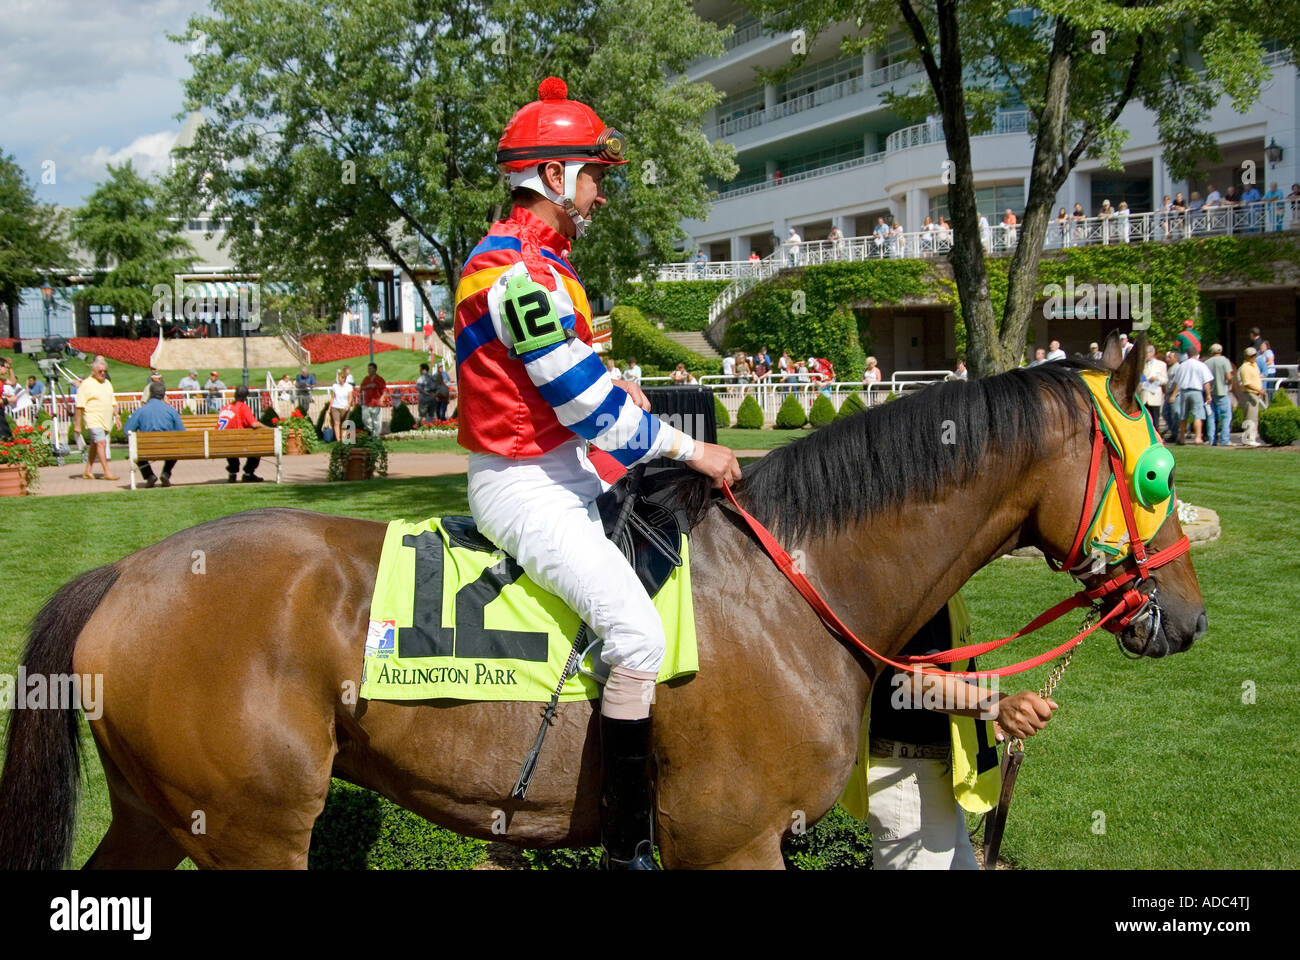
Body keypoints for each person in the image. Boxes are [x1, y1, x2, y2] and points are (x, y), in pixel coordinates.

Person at [457, 77, 741, 870]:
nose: (600, 196)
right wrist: (694, 450)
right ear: (552, 176)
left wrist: (615, 383)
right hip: (526, 485)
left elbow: (578, 380)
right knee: (638, 634)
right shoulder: (515, 272)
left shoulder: (543, 265)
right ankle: (626, 848)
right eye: (594, 177)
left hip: (568, 471)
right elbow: (592, 413)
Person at [855, 594, 1057, 870]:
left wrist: (985, 720)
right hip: (909, 783)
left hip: (926, 779)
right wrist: (997, 705)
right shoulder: (920, 589)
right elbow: (910, 682)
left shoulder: (941, 588)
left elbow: (946, 674)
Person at [124, 380, 184, 487]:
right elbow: (182, 432)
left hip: (146, 448)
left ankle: (149, 475)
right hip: (168, 448)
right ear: (163, 394)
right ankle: (166, 473)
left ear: (150, 394)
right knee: (175, 447)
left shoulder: (141, 411)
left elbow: (127, 430)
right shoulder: (171, 411)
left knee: (136, 449)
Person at [74, 358, 122, 481]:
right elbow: (79, 406)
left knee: (95, 445)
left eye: (104, 371)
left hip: (106, 421)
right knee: (102, 443)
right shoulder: (86, 384)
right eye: (100, 371)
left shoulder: (107, 384)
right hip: (93, 419)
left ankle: (87, 471)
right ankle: (107, 472)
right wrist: (77, 425)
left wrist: (117, 416)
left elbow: (113, 402)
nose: (102, 373)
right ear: (93, 371)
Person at [217, 384, 268, 482]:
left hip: (222, 442)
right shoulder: (243, 407)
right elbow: (254, 424)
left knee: (231, 444)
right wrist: (267, 427)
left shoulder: (226, 407)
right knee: (256, 447)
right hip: (236, 441)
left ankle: (232, 473)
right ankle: (248, 473)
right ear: (245, 397)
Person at [1169, 346, 1213, 445]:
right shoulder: (1201, 365)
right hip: (1196, 391)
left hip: (1184, 392)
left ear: (1187, 355)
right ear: (1197, 354)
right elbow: (1206, 382)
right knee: (1198, 415)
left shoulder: (1182, 365)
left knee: (1183, 416)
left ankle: (1181, 438)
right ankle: (1198, 438)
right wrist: (1208, 395)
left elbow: (1178, 383)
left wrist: (1173, 395)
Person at [1203, 343, 1234, 447]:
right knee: (1226, 416)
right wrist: (1230, 384)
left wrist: (1207, 393)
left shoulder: (1207, 362)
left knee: (1211, 417)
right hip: (1222, 392)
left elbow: (1205, 379)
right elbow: (1229, 377)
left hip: (1210, 393)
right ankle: (1225, 440)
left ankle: (1212, 439)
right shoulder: (1225, 361)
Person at [1238, 347, 1265, 446]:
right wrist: (1259, 390)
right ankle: (1248, 439)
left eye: (1255, 355)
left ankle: (1250, 438)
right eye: (1252, 356)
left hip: (1255, 394)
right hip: (1249, 393)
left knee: (1254, 417)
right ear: (1247, 356)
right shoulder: (1245, 367)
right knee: (1250, 417)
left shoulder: (1254, 365)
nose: (1254, 357)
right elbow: (1247, 383)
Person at [1138, 343, 1169, 429]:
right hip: (1144, 396)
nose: (1145, 355)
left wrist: (1156, 379)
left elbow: (1165, 380)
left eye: (1146, 353)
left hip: (1154, 395)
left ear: (1152, 353)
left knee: (1155, 420)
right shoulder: (1141, 365)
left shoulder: (1161, 364)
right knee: (1145, 420)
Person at [359, 362, 387, 436]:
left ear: (375, 369)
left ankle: (376, 437)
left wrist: (381, 399)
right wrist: (368, 386)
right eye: (368, 369)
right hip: (367, 403)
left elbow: (384, 391)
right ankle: (371, 430)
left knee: (377, 422)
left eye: (370, 369)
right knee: (365, 419)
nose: (368, 370)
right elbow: (361, 388)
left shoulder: (379, 379)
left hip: (376, 403)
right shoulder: (366, 379)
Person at [327, 368, 353, 441]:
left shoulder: (348, 387)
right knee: (336, 423)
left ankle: (344, 439)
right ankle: (338, 439)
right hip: (335, 407)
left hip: (344, 407)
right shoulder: (335, 386)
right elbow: (332, 398)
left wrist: (348, 405)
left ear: (344, 378)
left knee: (344, 424)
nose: (339, 379)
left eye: (341, 377)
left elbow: (350, 397)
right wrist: (329, 409)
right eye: (339, 377)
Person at [1162, 350, 1181, 440]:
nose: (1167, 359)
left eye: (1170, 357)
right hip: (1168, 394)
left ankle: (1175, 433)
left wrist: (1173, 395)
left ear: (1176, 358)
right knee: (1165, 413)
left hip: (1175, 394)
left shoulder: (1178, 368)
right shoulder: (1170, 368)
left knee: (1175, 414)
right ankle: (1173, 431)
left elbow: (1178, 383)